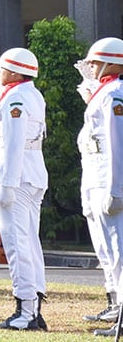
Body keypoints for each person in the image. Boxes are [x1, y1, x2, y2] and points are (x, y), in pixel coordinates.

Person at [0, 47, 48, 331]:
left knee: (17, 244)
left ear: (14, 70)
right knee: (29, 242)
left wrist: (7, 183)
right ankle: (33, 306)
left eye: (2, 68)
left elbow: (12, 145)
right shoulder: (31, 94)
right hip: (31, 176)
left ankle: (25, 310)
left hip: (17, 177)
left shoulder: (16, 99)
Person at [75, 37, 123, 333]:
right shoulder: (103, 92)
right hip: (95, 176)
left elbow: (118, 144)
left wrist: (117, 189)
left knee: (119, 250)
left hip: (109, 178)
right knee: (106, 250)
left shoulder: (115, 94)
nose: (89, 67)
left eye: (94, 61)